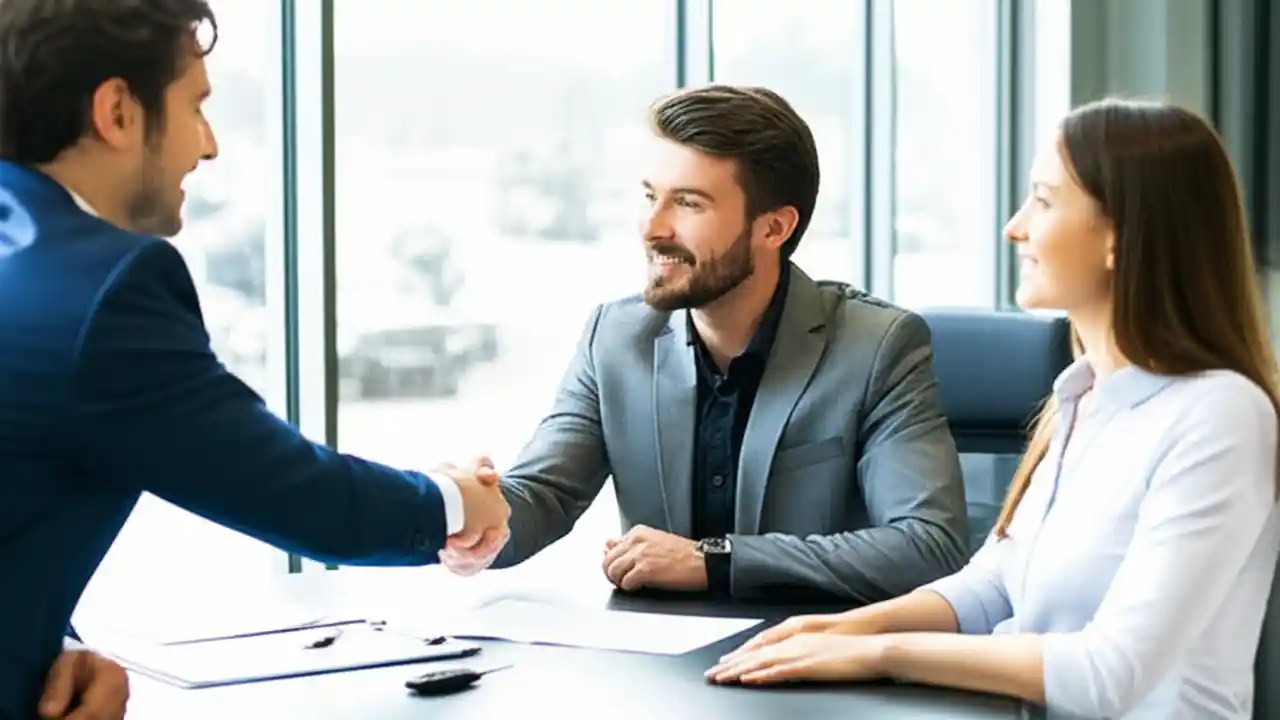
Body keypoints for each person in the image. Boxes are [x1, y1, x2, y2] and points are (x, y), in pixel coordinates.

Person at [0, 2, 509, 717]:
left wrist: (49, 645)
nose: (206, 147)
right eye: (195, 107)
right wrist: (457, 501)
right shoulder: (101, 290)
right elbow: (300, 495)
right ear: (117, 111)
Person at [706, 98, 1280, 719]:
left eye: (1044, 199)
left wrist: (883, 654)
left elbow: (1108, 673)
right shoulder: (1085, 395)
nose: (1015, 226)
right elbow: (995, 584)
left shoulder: (1221, 416)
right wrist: (841, 631)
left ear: (1120, 236)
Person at [441, 84, 969, 602]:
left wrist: (714, 561)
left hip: (813, 663)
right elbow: (543, 495)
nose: (652, 227)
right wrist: (471, 513)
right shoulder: (615, 338)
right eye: (650, 196)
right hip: (663, 670)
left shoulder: (877, 347)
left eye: (688, 204)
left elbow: (928, 547)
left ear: (774, 228)